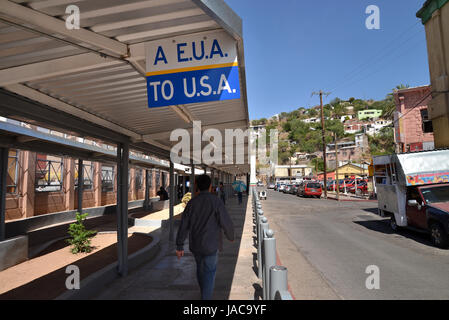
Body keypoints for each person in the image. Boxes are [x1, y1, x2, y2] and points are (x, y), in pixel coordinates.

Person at [175, 175, 234, 300]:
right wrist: (230, 235)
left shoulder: (191, 203)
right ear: (210, 186)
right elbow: (226, 221)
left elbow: (184, 225)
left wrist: (180, 245)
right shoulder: (216, 201)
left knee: (200, 270)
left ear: (196, 186)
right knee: (209, 272)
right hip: (212, 245)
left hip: (196, 245)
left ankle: (204, 293)